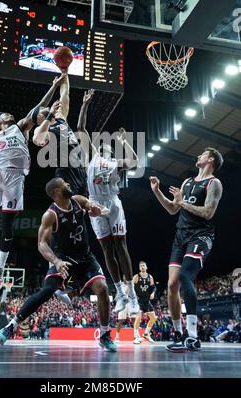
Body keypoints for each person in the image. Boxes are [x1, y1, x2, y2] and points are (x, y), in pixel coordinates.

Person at [0, 76, 63, 291]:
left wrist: (53, 86)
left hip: (16, 177)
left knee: (8, 225)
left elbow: (37, 108)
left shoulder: (21, 127)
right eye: (5, 114)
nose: (9, 114)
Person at [0, 177, 117, 352]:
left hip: (85, 259)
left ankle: (104, 335)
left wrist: (100, 211)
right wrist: (56, 261)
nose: (68, 184)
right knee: (47, 291)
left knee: (103, 289)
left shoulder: (78, 201)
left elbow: (93, 205)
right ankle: (10, 327)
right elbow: (41, 243)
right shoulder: (50, 215)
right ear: (57, 191)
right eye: (64, 184)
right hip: (63, 260)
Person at [150, 147, 223, 352]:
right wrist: (157, 192)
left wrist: (183, 203)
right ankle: (179, 334)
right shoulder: (187, 182)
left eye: (202, 154)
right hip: (180, 237)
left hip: (201, 235)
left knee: (184, 276)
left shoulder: (213, 183)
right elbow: (173, 209)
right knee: (172, 285)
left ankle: (192, 336)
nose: (198, 156)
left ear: (210, 159)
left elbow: (208, 212)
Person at [77, 89, 139, 316]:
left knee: (120, 246)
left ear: (111, 152)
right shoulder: (92, 158)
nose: (104, 148)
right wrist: (85, 105)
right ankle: (120, 294)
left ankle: (131, 294)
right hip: (95, 204)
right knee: (106, 248)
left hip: (112, 204)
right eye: (102, 146)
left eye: (109, 148)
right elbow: (81, 130)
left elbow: (133, 161)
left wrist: (125, 142)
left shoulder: (115, 163)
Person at [33, 71, 88, 196]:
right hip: (66, 169)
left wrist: (65, 71)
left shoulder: (61, 118)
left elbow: (65, 93)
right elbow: (37, 140)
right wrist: (50, 114)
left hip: (80, 167)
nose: (47, 107)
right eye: (44, 108)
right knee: (70, 204)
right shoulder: (40, 129)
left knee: (85, 207)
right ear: (40, 116)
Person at [133, 261, 157, 344]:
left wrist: (153, 293)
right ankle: (136, 336)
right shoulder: (136, 277)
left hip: (146, 300)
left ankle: (146, 333)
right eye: (141, 266)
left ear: (146, 267)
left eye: (143, 265)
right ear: (139, 268)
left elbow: (154, 287)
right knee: (138, 317)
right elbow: (131, 287)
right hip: (138, 300)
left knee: (153, 318)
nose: (142, 267)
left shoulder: (150, 277)